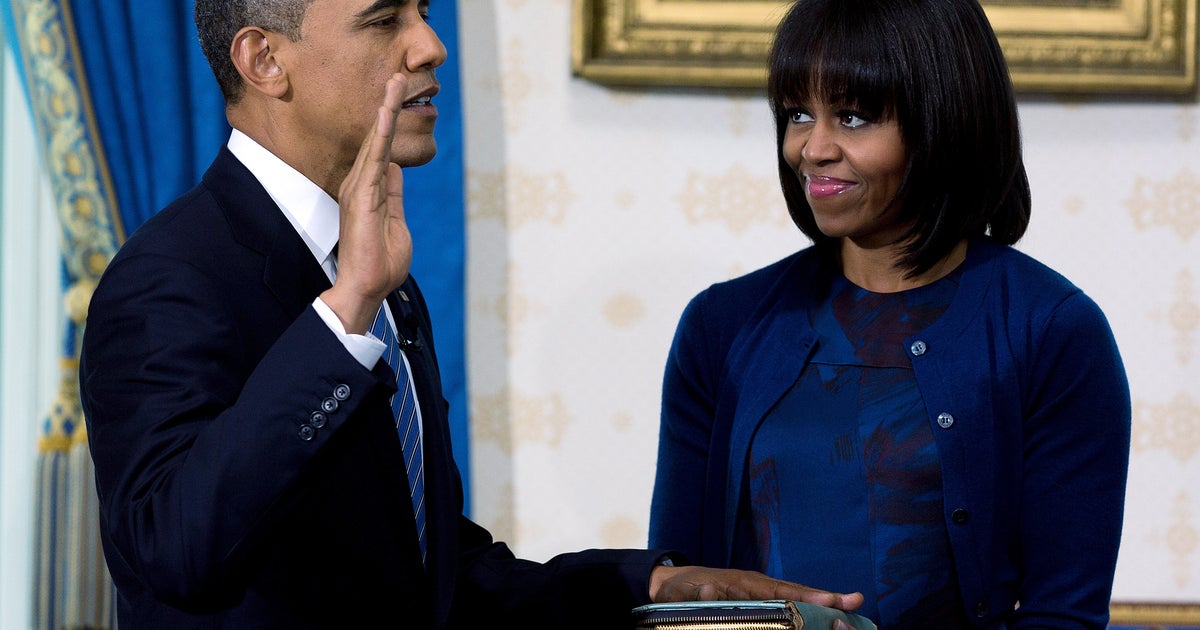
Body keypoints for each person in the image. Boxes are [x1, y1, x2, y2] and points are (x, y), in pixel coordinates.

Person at [77, 0, 865, 628]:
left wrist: (657, 583)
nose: (429, 45)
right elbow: (175, 557)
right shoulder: (169, 278)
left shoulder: (385, 276)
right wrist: (346, 311)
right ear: (264, 60)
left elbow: (439, 578)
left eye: (421, 12)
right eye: (387, 19)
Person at [647, 0, 1132, 627]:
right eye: (799, 114)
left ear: (944, 122)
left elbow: (1062, 615)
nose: (812, 149)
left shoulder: (1052, 331)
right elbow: (678, 589)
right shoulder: (722, 325)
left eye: (851, 117)